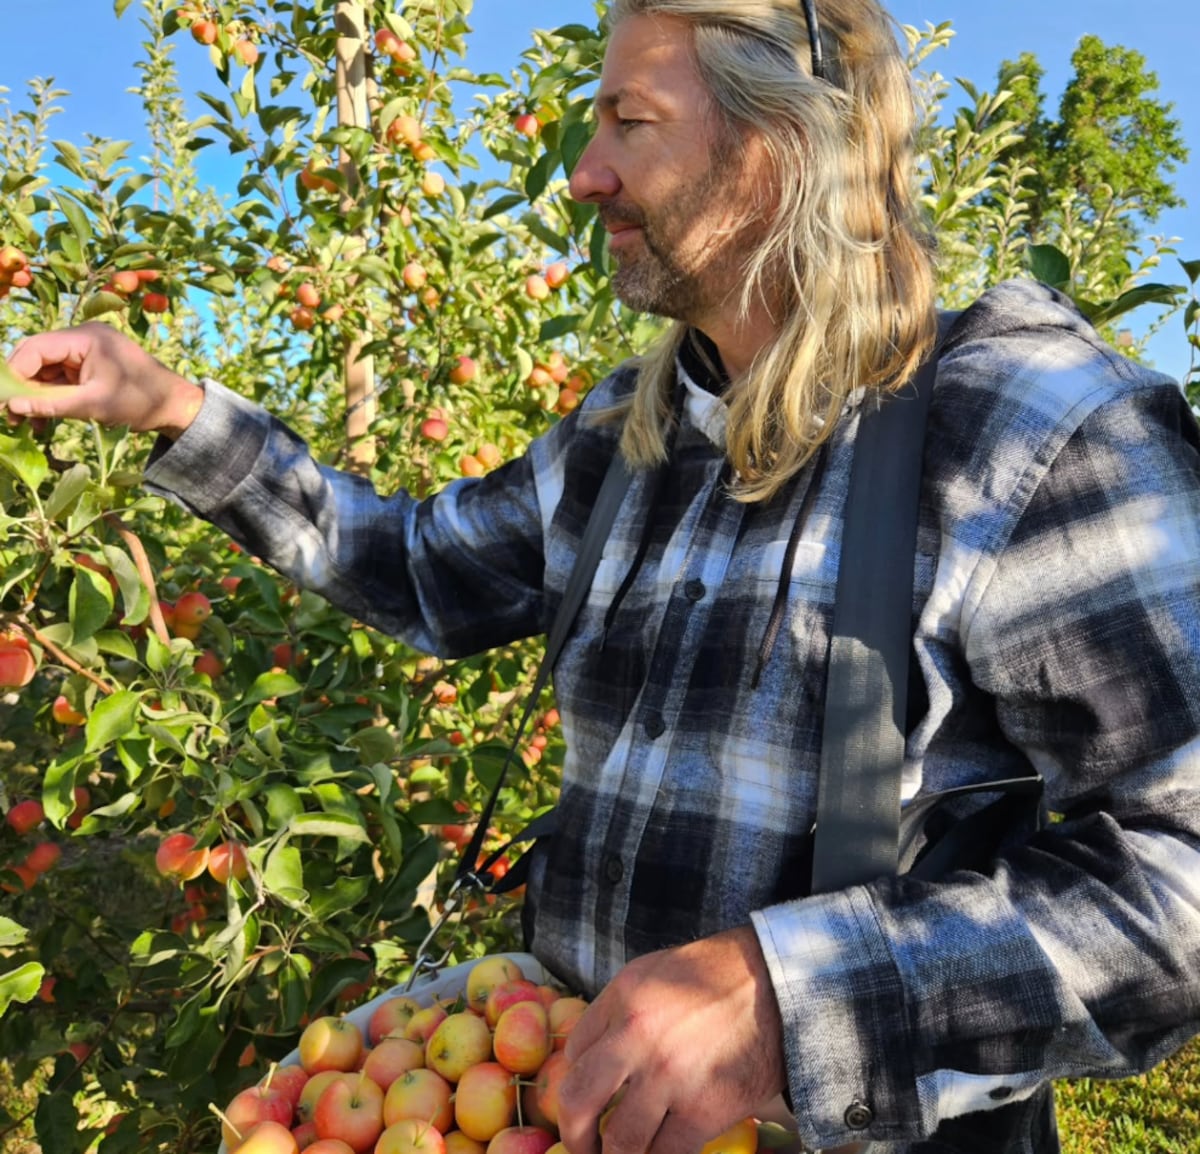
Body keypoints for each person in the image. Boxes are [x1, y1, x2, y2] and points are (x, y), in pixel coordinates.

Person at [6, 2, 1200, 1152]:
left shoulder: (1025, 434)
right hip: (566, 1101)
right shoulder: (625, 435)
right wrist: (170, 405)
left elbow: (1181, 880)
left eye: (629, 119)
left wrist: (793, 998)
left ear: (787, 144)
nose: (584, 172)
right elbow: (415, 568)